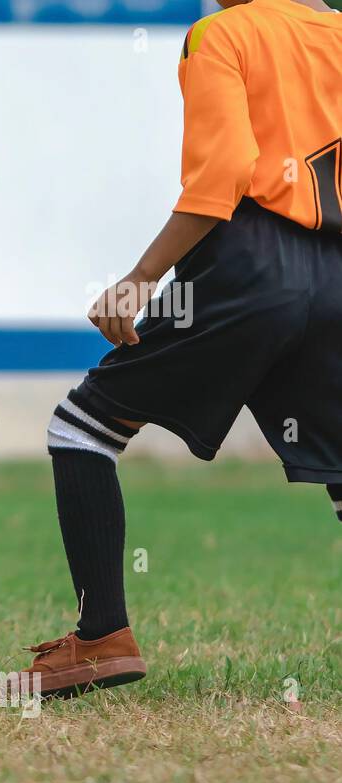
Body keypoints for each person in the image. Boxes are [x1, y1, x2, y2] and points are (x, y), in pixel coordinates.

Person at [20, 0, 342, 696]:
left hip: (253, 266)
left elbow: (224, 172)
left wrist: (140, 277)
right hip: (338, 271)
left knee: (82, 426)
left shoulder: (221, 33)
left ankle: (102, 636)